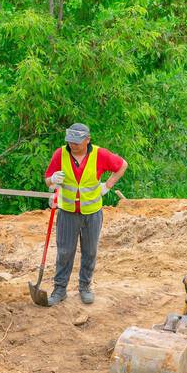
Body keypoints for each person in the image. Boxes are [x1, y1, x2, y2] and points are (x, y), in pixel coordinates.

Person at [43, 123, 127, 305]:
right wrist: (53, 180)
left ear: (87, 140)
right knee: (65, 252)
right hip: (67, 212)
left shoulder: (99, 154)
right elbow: (48, 180)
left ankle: (85, 287)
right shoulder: (60, 154)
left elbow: (122, 165)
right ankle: (59, 289)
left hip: (92, 212)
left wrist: (108, 185)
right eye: (70, 142)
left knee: (90, 251)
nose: (73, 145)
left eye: (77, 142)